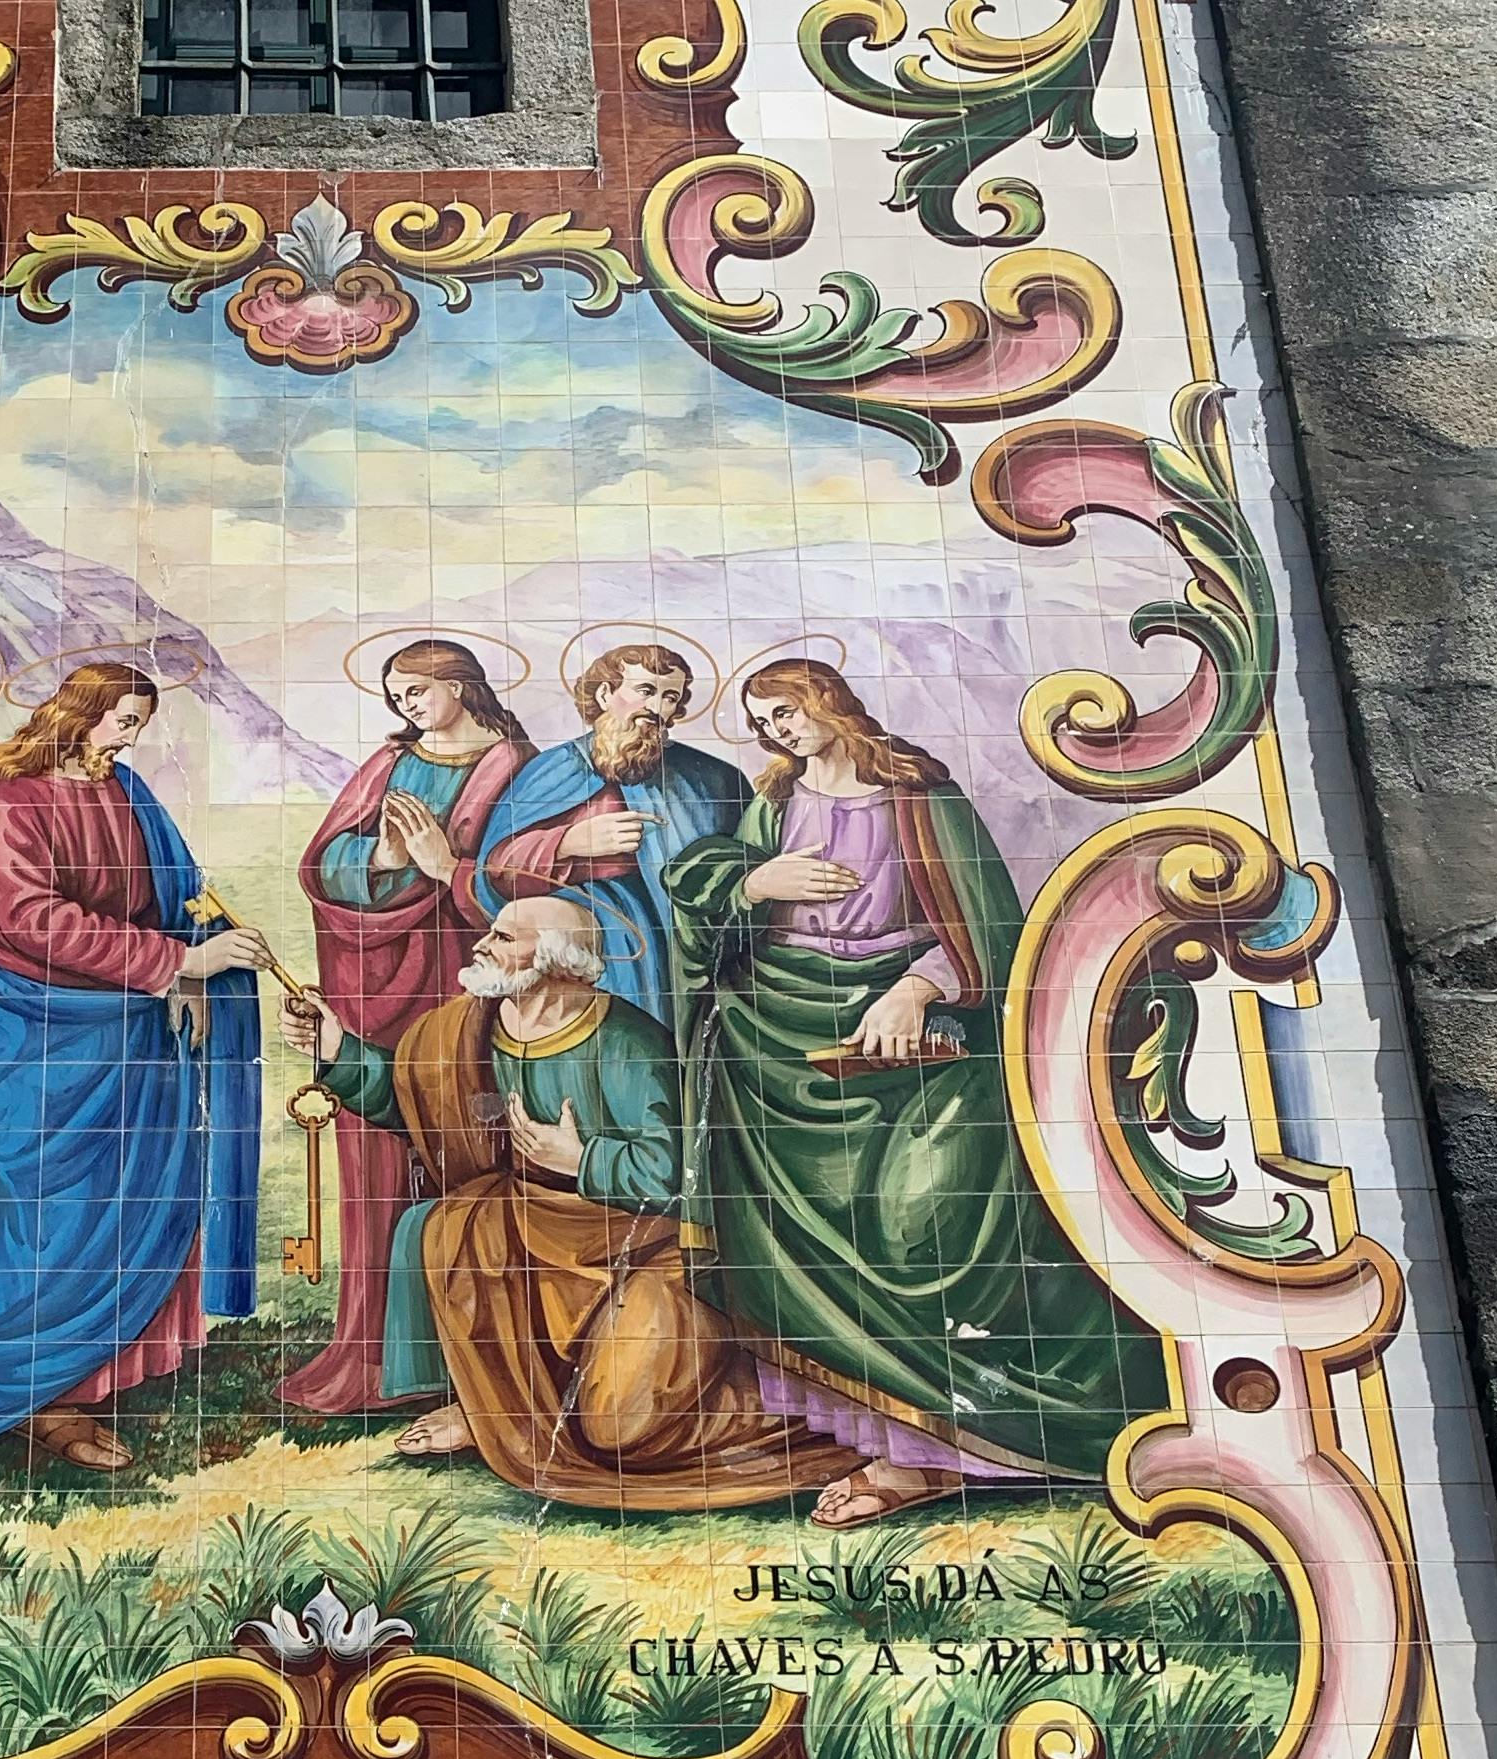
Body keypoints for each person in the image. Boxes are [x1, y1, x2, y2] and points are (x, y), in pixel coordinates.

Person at [665, 655, 1170, 1526]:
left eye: (784, 710)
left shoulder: (918, 796)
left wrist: (922, 986)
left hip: (913, 1036)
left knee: (919, 1230)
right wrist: (756, 880)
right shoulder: (776, 801)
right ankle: (885, 1448)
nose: (776, 730)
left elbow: (989, 927)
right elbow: (700, 893)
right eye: (761, 720)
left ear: (829, 701)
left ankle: (952, 1441)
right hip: (774, 1042)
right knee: (798, 1250)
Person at [0, 661, 272, 1526]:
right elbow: (28, 922)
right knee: (6, 1231)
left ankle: (42, 1401)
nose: (131, 736)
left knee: (93, 1229)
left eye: (140, 721)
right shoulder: (0, 805)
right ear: (78, 715)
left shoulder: (127, 794)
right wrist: (177, 964)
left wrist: (195, 966)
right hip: (18, 1043)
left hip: (120, 1041)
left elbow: (174, 898)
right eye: (122, 718)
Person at [284, 894, 848, 1514]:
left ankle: (797, 1417)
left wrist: (583, 1160)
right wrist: (336, 1050)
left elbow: (679, 1176)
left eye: (503, 937)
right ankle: (488, 1408)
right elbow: (415, 1102)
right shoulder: (469, 1031)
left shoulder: (629, 1045)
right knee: (453, 1225)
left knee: (620, 1429)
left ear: (553, 961)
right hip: (531, 1238)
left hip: (641, 1258)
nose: (481, 945)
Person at [283, 640, 532, 1418]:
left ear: (460, 687)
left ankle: (478, 1359)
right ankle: (377, 1358)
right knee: (381, 1155)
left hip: (468, 979)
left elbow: (525, 881)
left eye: (416, 692)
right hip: (378, 985)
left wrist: (444, 866)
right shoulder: (387, 764)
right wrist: (384, 858)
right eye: (396, 696)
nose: (405, 708)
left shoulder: (515, 767)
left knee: (471, 1142)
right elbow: (321, 866)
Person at [463, 641, 750, 1027]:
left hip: (678, 943)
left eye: (670, 697)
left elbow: (739, 866)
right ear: (604, 693)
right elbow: (495, 870)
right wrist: (568, 844)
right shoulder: (553, 768)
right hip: (579, 947)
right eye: (645, 691)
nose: (656, 708)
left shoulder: (709, 778)